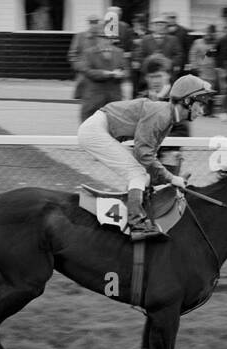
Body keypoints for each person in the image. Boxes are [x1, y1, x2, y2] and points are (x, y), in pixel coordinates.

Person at [76, 75, 214, 241]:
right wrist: (172, 178)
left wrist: (166, 180)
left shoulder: (167, 117)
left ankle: (138, 211)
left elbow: (148, 156)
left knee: (142, 174)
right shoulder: (162, 115)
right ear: (187, 101)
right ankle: (136, 224)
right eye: (200, 104)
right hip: (95, 131)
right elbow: (143, 154)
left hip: (100, 128)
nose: (202, 111)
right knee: (137, 174)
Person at [74, 24, 126, 121]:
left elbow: (126, 70)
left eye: (108, 38)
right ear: (97, 39)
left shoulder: (119, 52)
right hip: (94, 97)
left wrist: (121, 74)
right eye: (102, 38)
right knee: (88, 122)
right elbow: (87, 71)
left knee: (114, 125)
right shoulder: (88, 53)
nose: (105, 40)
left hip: (114, 96)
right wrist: (107, 73)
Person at [69, 15, 102, 100]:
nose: (93, 25)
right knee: (80, 95)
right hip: (84, 70)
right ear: (88, 24)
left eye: (95, 23)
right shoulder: (80, 36)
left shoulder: (102, 38)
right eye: (91, 23)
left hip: (97, 70)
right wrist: (78, 65)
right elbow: (73, 53)